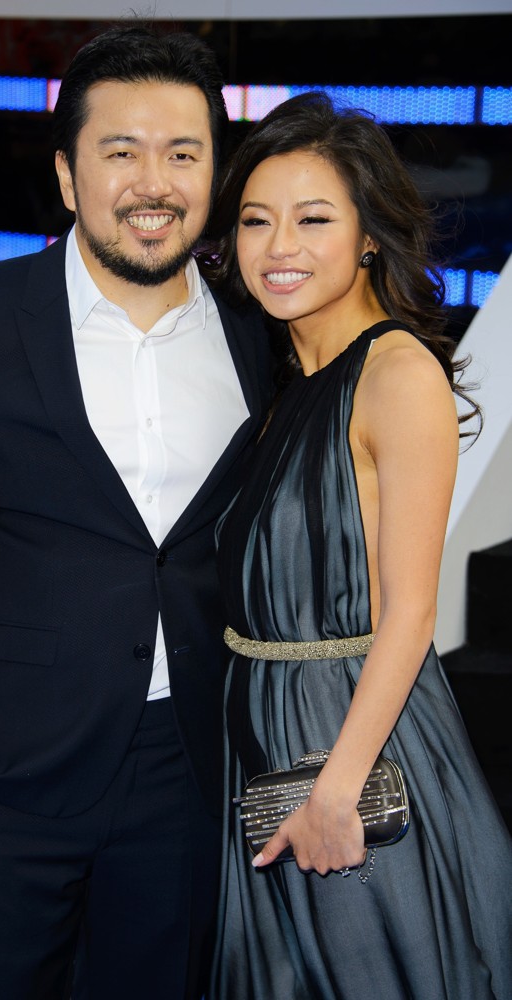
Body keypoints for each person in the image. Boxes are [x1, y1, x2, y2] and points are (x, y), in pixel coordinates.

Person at [0, 26, 271, 1000]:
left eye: (182, 152)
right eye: (120, 151)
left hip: (186, 771)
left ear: (214, 172)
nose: (151, 182)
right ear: (69, 176)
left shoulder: (257, 331)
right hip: (0, 767)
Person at [198, 92, 512, 999]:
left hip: (348, 742)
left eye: (312, 218)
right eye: (255, 220)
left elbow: (410, 610)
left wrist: (337, 790)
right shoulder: (284, 378)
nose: (278, 246)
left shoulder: (395, 372)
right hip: (259, 733)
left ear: (368, 235)